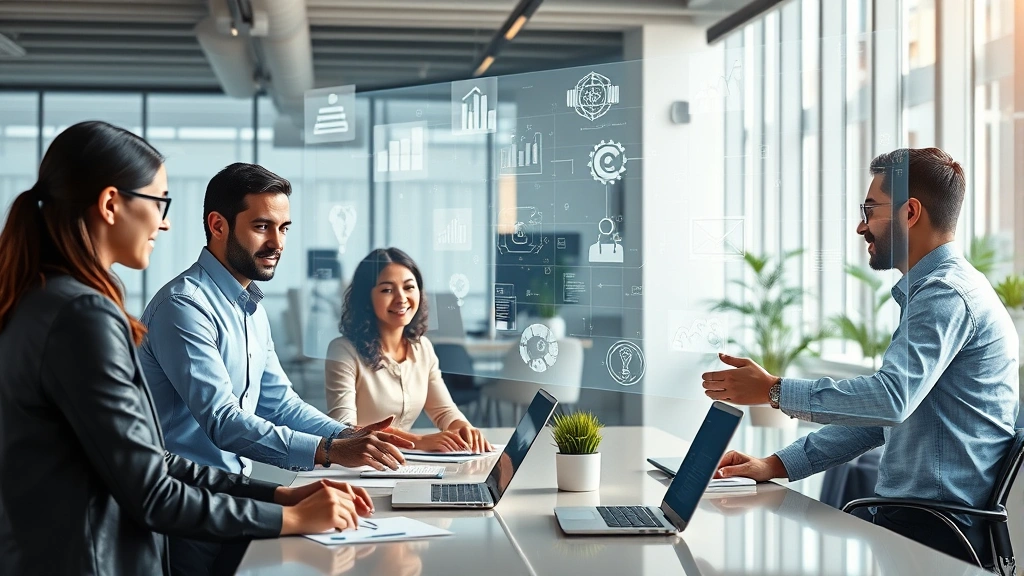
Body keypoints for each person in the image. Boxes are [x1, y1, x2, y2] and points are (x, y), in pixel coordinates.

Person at [0, 122, 373, 576]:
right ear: (111, 204)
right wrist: (289, 515)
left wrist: (279, 495)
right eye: (159, 202)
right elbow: (153, 489)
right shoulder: (83, 316)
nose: (166, 220)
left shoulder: (50, 301)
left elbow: (152, 458)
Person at [700, 148, 1019, 565]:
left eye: (870, 210)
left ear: (910, 212)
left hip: (935, 533)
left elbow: (889, 401)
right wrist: (774, 464)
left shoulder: (945, 294)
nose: (860, 226)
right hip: (926, 526)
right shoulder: (941, 291)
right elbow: (881, 418)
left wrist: (775, 391)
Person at [137, 163, 411, 574]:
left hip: (235, 499)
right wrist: (330, 451)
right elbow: (223, 421)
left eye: (284, 228)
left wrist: (349, 435)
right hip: (188, 511)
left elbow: (278, 402)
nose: (276, 242)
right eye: (262, 226)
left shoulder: (250, 307)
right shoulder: (184, 307)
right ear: (218, 225)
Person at [325, 248, 493, 453]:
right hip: (358, 467)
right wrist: (418, 441)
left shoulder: (422, 348)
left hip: (403, 464)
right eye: (387, 290)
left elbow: (444, 411)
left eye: (409, 287)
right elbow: (343, 429)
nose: (401, 298)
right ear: (366, 298)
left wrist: (465, 429)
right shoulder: (343, 350)